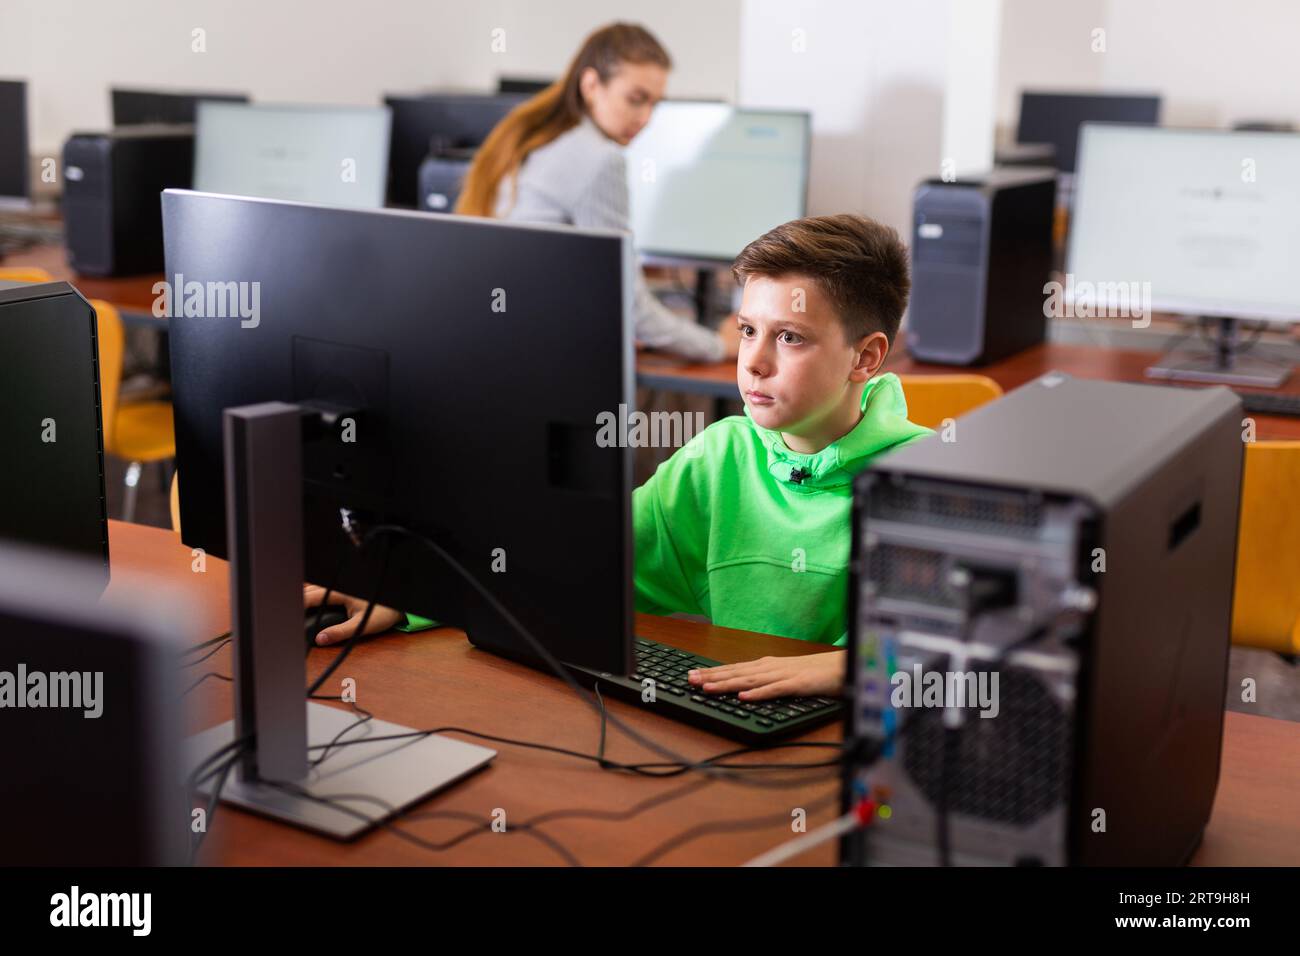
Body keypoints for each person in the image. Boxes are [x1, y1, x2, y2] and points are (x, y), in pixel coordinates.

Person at [635, 214, 934, 701]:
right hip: (737, 720)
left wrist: (850, 669)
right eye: (748, 330)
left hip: (849, 740)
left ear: (865, 358)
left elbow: (957, 660)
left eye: (790, 337)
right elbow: (598, 569)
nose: (753, 361)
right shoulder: (721, 455)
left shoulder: (925, 483)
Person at [455, 22, 735, 362]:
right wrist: (718, 345)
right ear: (591, 85)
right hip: (535, 354)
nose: (646, 118)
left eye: (655, 104)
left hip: (491, 338)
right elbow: (633, 309)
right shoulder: (601, 159)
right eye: (636, 99)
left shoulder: (537, 137)